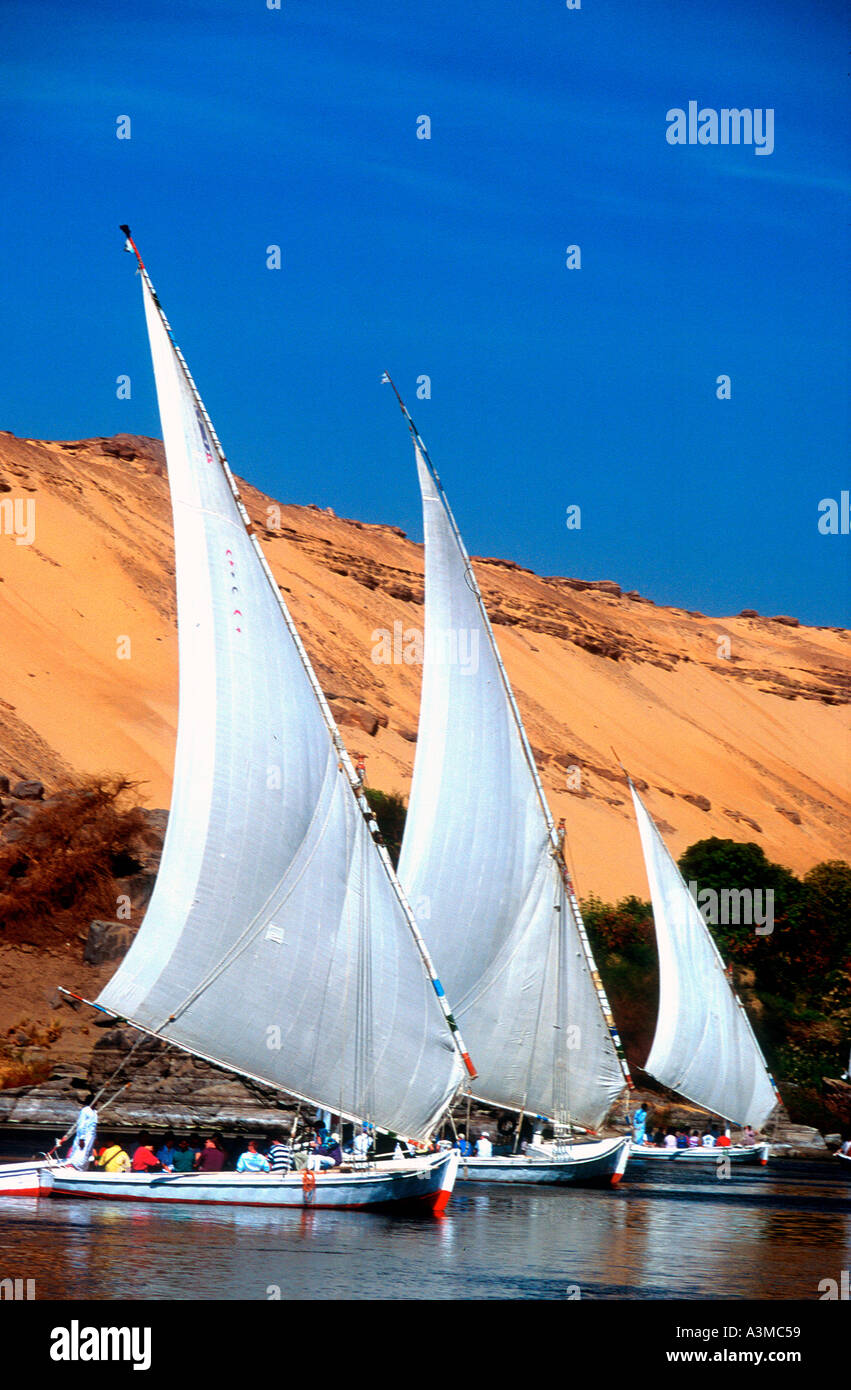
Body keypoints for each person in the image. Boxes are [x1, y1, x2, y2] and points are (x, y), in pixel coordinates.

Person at [68, 1093, 98, 1170]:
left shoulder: (95, 1112)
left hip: (91, 1136)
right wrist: (81, 1138)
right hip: (84, 1136)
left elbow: (94, 1127)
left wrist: (95, 1138)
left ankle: (84, 1168)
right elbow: (81, 1125)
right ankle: (76, 1166)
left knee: (87, 1153)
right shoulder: (85, 1110)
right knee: (81, 1152)